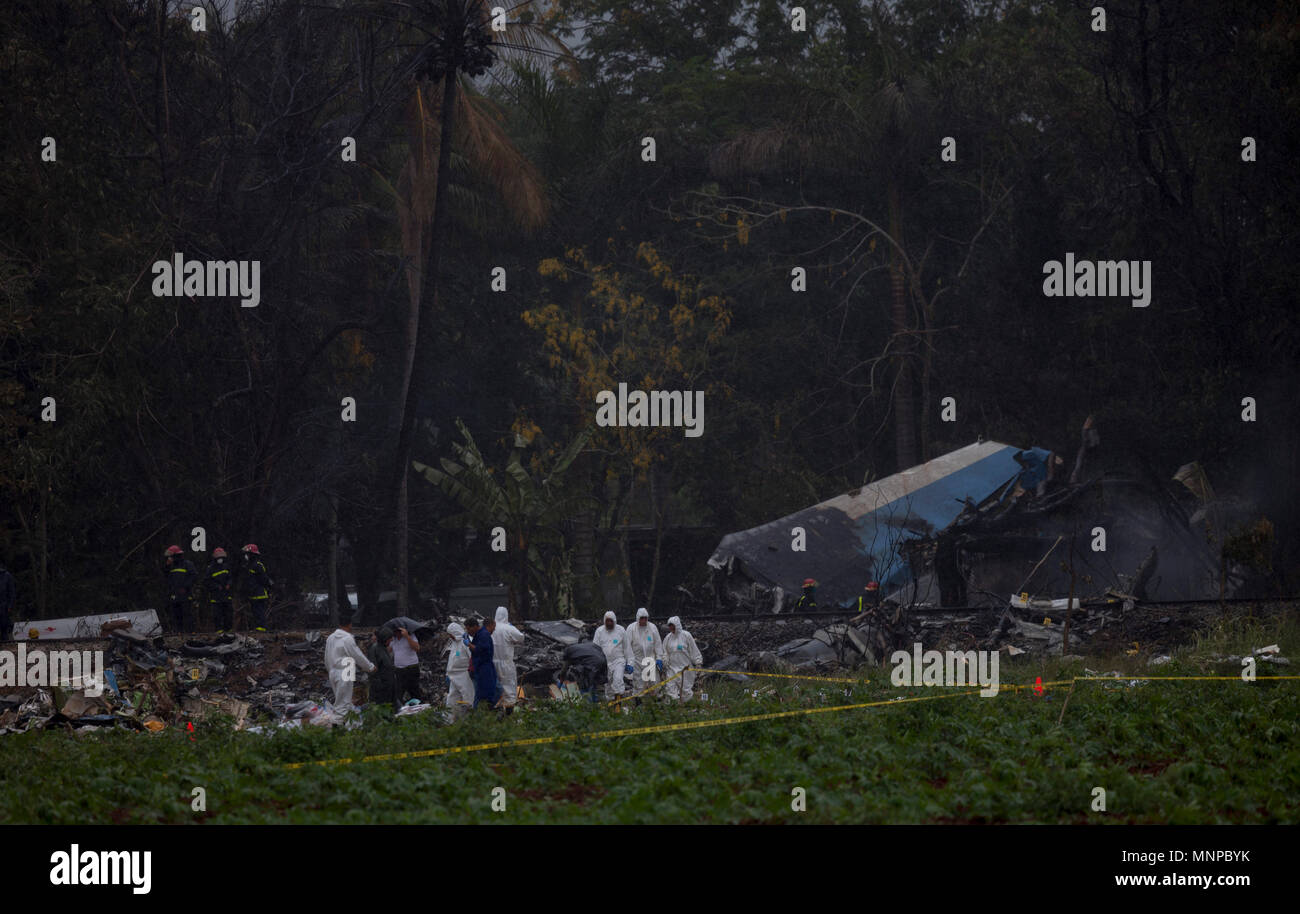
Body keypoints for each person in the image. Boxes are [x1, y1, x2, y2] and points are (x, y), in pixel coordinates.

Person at [325, 619, 376, 711]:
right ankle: (338, 723)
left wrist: (330, 670)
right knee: (343, 703)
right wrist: (370, 667)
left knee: (341, 700)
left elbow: (327, 656)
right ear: (350, 625)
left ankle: (346, 721)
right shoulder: (347, 638)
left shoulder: (331, 638)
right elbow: (357, 655)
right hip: (345, 671)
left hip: (333, 671)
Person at [592, 610, 634, 700]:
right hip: (605, 662)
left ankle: (618, 703)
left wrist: (630, 662)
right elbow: (595, 648)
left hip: (618, 660)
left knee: (618, 680)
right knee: (608, 684)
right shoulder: (599, 631)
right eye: (607, 621)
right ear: (604, 621)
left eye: (611, 621)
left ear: (614, 621)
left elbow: (627, 648)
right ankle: (611, 705)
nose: (609, 623)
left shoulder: (621, 630)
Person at [662, 616, 703, 702]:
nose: (671, 628)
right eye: (669, 626)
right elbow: (664, 651)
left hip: (685, 669)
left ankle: (686, 708)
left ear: (677, 625)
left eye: (672, 626)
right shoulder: (668, 638)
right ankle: (673, 708)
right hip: (672, 668)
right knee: (670, 689)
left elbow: (693, 649)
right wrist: (665, 661)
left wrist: (698, 662)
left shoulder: (686, 635)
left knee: (685, 691)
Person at [491, 606, 525, 710]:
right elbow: (521, 638)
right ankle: (509, 714)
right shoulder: (509, 628)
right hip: (506, 663)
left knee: (495, 688)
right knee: (509, 688)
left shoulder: (491, 628)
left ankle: (495, 710)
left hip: (492, 663)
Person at [626, 607, 664, 695]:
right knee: (638, 685)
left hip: (651, 659)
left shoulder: (652, 627)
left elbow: (658, 644)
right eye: (641, 618)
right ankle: (639, 705)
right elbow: (627, 647)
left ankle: (656, 703)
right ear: (638, 618)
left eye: (645, 618)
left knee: (655, 684)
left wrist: (659, 658)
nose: (643, 620)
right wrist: (629, 662)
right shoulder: (631, 628)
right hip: (637, 660)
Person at [464, 616, 500, 710]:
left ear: (475, 626)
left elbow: (479, 649)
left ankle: (485, 711)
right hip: (481, 667)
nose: (468, 632)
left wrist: (469, 644)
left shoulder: (484, 634)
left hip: (484, 667)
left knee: (487, 691)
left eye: (469, 629)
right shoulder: (479, 634)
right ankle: (483, 712)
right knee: (482, 692)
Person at [444, 622, 476, 717]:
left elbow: (472, 657)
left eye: (451, 635)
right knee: (452, 698)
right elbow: (452, 660)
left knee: (468, 697)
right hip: (453, 676)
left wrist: (473, 671)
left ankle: (471, 718)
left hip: (464, 674)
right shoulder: (454, 643)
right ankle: (449, 719)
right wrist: (447, 673)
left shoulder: (465, 642)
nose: (450, 637)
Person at [163, 545, 197, 633]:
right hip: (174, 594)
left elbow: (193, 576)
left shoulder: (187, 564)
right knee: (176, 614)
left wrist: (185, 587)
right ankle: (179, 631)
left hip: (185, 593)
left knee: (187, 613)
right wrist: (167, 566)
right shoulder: (171, 566)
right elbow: (166, 576)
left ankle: (190, 632)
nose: (169, 558)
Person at [240, 544, 273, 631]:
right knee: (255, 611)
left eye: (247, 554)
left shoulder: (258, 565)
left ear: (252, 554)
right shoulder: (248, 566)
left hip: (259, 593)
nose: (246, 556)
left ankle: (262, 628)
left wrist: (269, 586)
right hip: (253, 593)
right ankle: (259, 627)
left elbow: (264, 579)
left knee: (259, 611)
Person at [390, 624, 422, 710]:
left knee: (414, 691)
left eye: (399, 631)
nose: (397, 634)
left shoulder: (411, 636)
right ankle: (400, 711)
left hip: (411, 668)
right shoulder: (394, 640)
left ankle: (418, 709)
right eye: (395, 632)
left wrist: (407, 636)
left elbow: (417, 648)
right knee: (398, 692)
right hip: (399, 670)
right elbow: (388, 650)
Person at [368, 623, 398, 709]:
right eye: (390, 638)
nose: (392, 640)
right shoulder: (374, 650)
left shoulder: (384, 649)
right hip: (380, 692)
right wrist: (380, 686)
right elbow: (372, 671)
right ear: (385, 638)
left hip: (389, 689)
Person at [205, 548, 234, 633]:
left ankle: (228, 629)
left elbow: (230, 577)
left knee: (228, 613)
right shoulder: (210, 568)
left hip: (226, 594)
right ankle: (218, 629)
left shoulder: (226, 566)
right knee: (217, 614)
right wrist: (216, 586)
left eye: (221, 556)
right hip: (216, 595)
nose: (220, 558)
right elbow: (207, 581)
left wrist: (229, 584)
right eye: (218, 557)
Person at [0, 560, 15, 643]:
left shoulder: (7, 576)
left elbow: (11, 592)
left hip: (4, 607)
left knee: (4, 628)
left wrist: (10, 606)